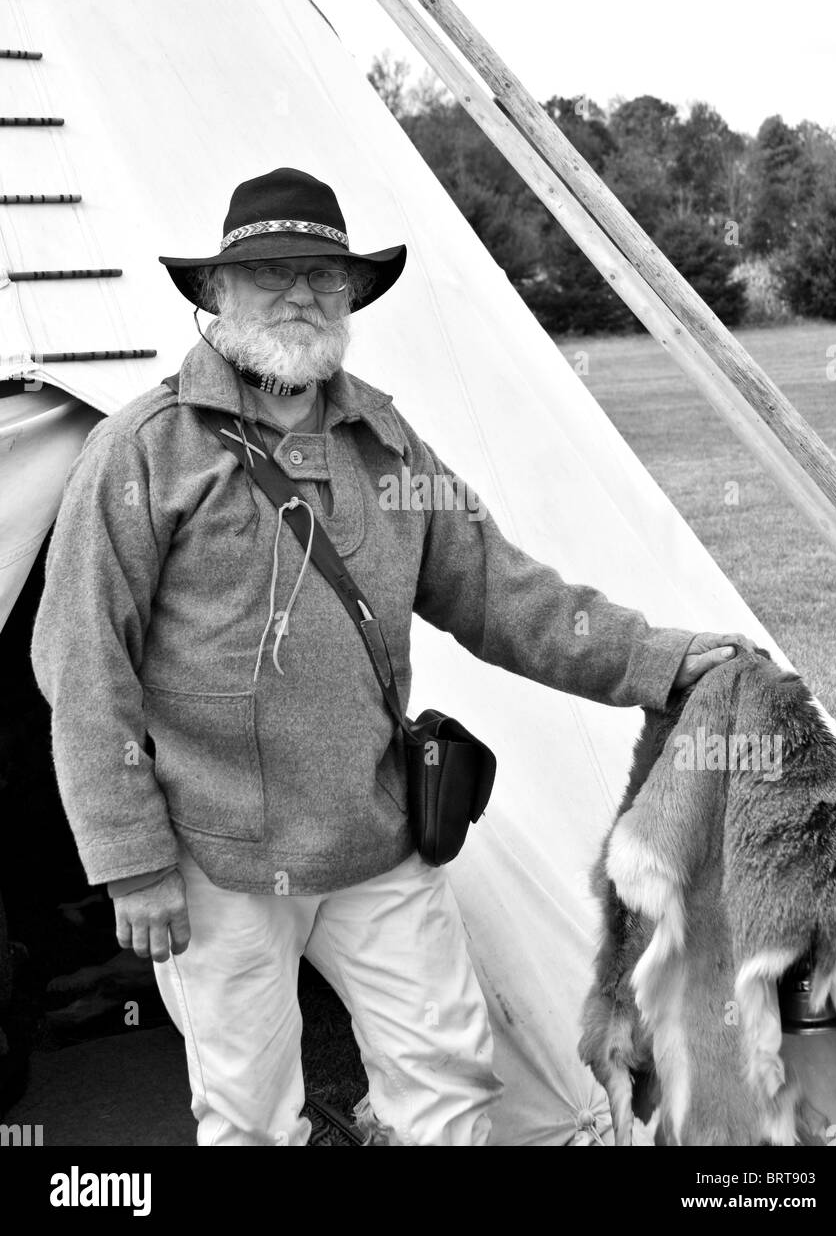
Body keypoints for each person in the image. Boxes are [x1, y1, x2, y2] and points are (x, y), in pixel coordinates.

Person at [30, 167, 756, 1147]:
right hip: (218, 858)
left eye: (323, 277)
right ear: (216, 295)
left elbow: (499, 590)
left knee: (447, 1085)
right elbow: (83, 658)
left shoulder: (385, 442)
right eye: (271, 273)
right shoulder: (144, 451)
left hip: (376, 840)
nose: (299, 295)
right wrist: (128, 858)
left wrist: (652, 657)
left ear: (350, 296)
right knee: (248, 1117)